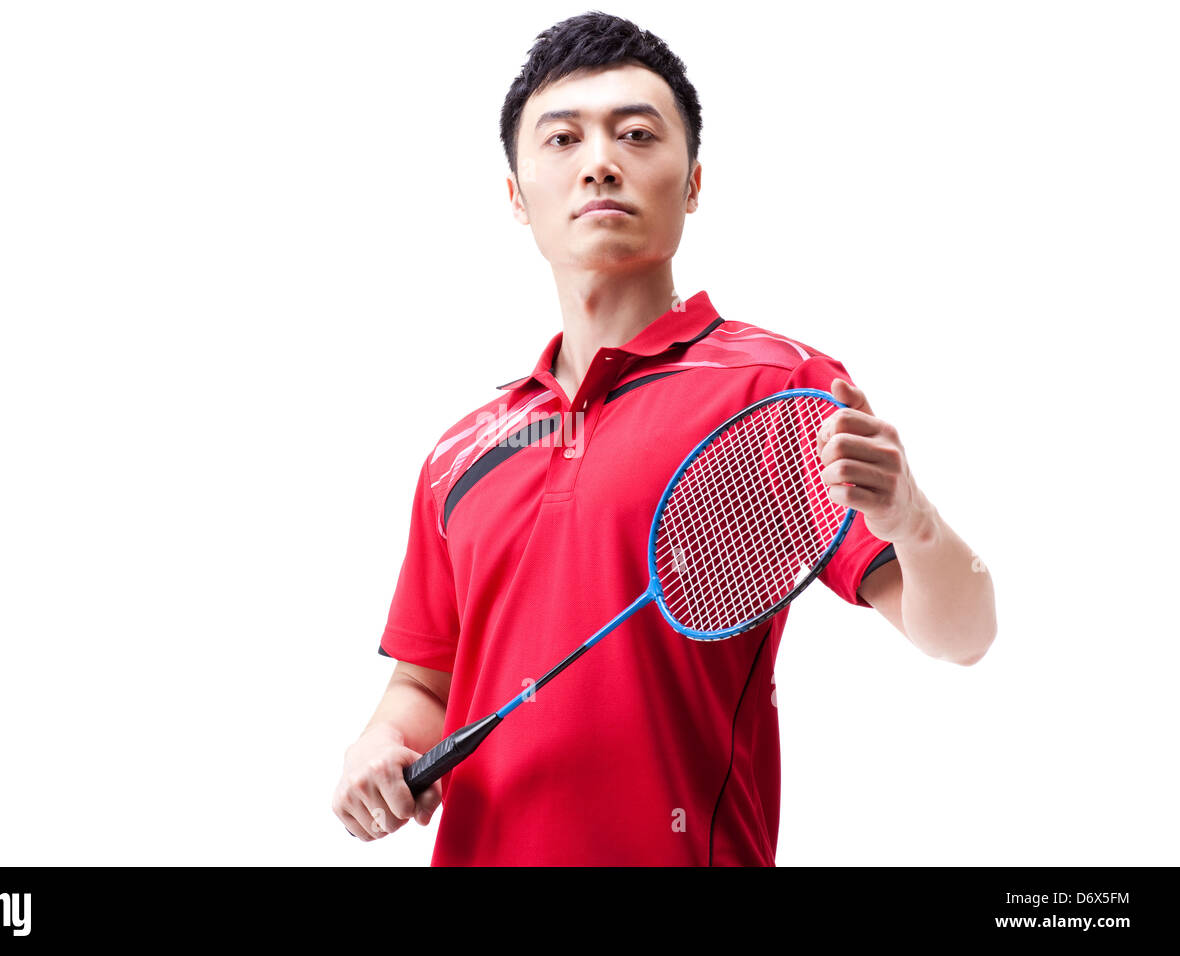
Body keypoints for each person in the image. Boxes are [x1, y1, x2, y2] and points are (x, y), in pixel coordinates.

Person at [332, 12, 997, 866]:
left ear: (691, 184)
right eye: (562, 138)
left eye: (637, 134)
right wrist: (378, 746)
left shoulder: (777, 389)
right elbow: (424, 683)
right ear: (515, 195)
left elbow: (965, 633)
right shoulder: (461, 452)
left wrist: (915, 520)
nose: (599, 161)